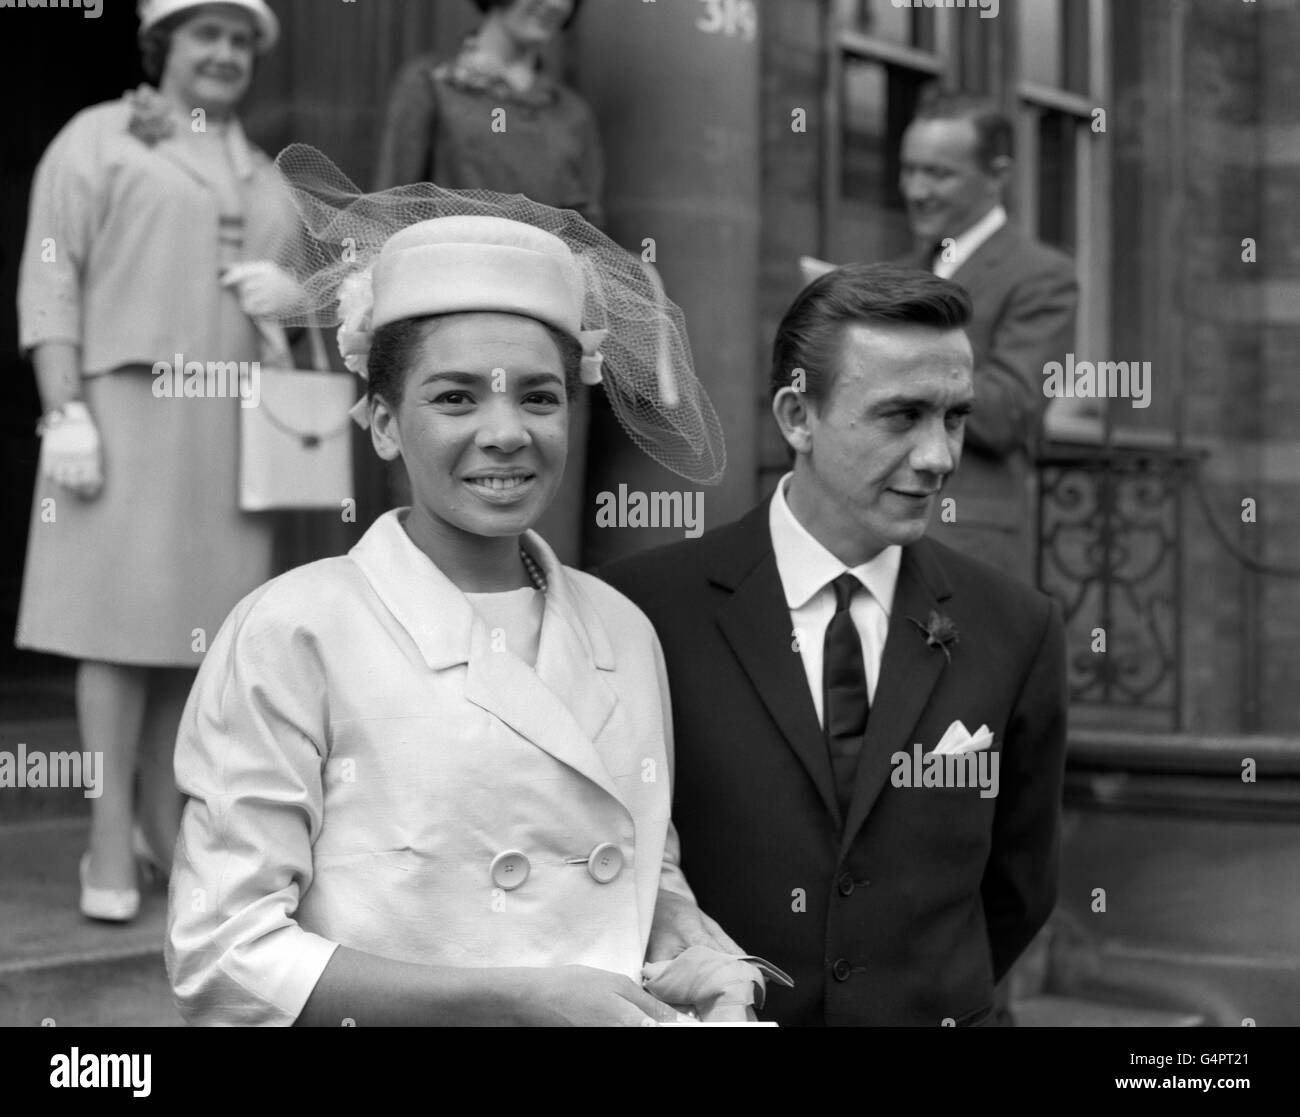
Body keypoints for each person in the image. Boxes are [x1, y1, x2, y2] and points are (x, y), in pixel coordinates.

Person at [164, 151, 770, 1026]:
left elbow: (642, 871)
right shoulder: (294, 629)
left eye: (539, 398)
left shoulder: (623, 628)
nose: (505, 433)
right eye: (454, 398)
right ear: (378, 419)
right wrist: (516, 1000)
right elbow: (225, 955)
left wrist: (696, 951)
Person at [601, 264, 1067, 1026]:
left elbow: (1020, 886)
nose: (939, 455)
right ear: (797, 415)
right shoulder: (644, 609)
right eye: (901, 415)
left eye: (954, 417)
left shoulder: (1017, 626)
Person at [14, 0, 299, 923]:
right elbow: (52, 272)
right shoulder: (97, 138)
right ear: (162, 44)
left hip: (230, 422)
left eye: (240, 40)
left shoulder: (267, 178)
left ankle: (160, 818)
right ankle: (106, 832)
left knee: (200, 635)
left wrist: (292, 300)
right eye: (205, 34)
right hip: (125, 406)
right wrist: (64, 409)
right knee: (114, 625)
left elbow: (309, 328)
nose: (224, 54)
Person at [372, 0, 602, 563]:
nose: (551, 4)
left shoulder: (571, 113)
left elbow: (588, 231)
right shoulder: (429, 84)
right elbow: (389, 211)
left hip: (542, 344)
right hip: (447, 340)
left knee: (541, 514)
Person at [897, 92, 1078, 580]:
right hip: (878, 534)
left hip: (967, 542)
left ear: (998, 175)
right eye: (909, 170)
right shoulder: (901, 270)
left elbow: (1007, 413)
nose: (916, 190)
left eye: (938, 174)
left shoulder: (1043, 275)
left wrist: (906, 338)